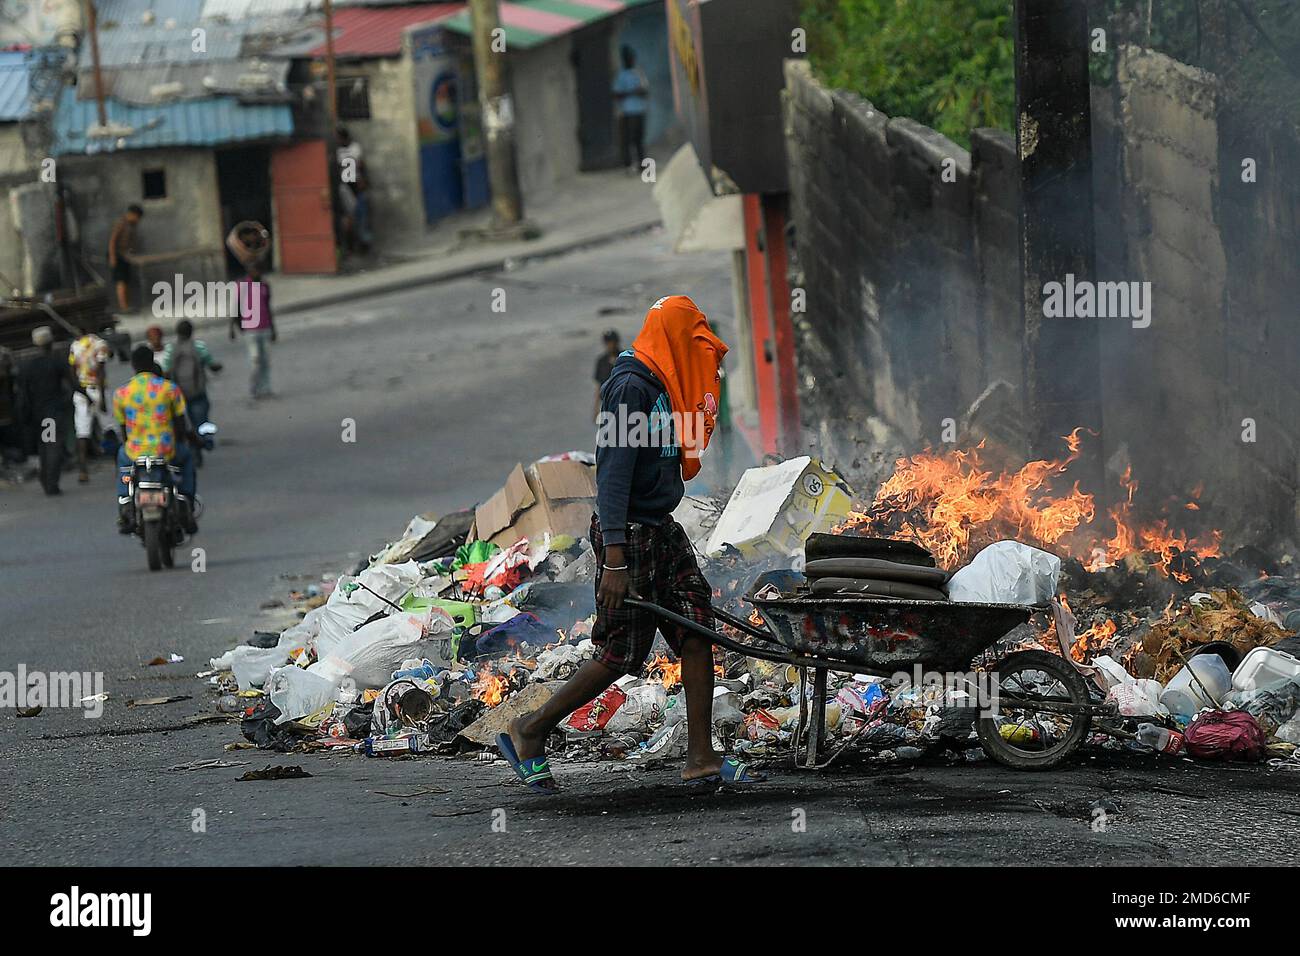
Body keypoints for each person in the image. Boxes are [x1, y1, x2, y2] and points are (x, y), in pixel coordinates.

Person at [498, 295, 764, 792]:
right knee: (621, 655)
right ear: (674, 342)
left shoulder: (665, 385)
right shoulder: (629, 389)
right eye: (694, 345)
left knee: (697, 630)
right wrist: (615, 559)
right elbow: (613, 478)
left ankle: (702, 757)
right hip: (631, 536)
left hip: (660, 527)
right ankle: (530, 729)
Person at [113, 345, 197, 534]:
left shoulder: (122, 393)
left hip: (135, 452)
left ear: (133, 365)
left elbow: (122, 427)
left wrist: (132, 444)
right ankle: (187, 503)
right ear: (153, 362)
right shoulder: (169, 389)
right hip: (166, 450)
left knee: (122, 463)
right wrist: (188, 441)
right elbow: (180, 423)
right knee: (186, 459)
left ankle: (125, 502)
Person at [20, 326, 85, 496]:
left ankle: (46, 479)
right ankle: (51, 483)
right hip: (53, 413)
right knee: (53, 447)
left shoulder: (28, 366)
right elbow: (73, 383)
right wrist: (89, 396)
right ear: (51, 342)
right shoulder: (56, 361)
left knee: (44, 446)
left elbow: (24, 393)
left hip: (37, 414)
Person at [160, 319, 222, 430]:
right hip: (197, 389)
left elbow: (166, 372)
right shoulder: (199, 346)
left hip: (179, 391)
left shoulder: (170, 349)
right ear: (191, 332)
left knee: (186, 418)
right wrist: (218, 366)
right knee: (202, 417)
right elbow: (212, 366)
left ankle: (193, 436)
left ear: (177, 332)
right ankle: (203, 436)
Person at [68, 331, 112, 482]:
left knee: (82, 432)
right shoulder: (101, 345)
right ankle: (120, 463)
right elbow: (100, 371)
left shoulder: (75, 345)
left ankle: (83, 471)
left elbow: (72, 372)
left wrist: (80, 391)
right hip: (97, 389)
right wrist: (102, 400)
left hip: (81, 392)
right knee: (109, 427)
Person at [230, 262, 275, 399]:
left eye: (258, 271)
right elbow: (236, 308)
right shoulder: (242, 286)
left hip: (265, 328)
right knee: (255, 360)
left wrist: (273, 328)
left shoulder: (265, 285)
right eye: (253, 270)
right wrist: (233, 328)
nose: (256, 273)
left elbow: (268, 307)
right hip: (250, 330)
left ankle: (266, 388)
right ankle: (254, 387)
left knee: (266, 360)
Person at [612, 46, 649, 172]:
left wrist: (635, 92)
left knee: (639, 139)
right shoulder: (621, 75)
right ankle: (628, 165)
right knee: (628, 140)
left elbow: (645, 91)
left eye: (631, 58)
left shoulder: (638, 73)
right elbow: (616, 94)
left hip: (639, 111)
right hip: (627, 112)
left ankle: (642, 164)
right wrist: (632, 92)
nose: (630, 60)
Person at [335, 126, 371, 254]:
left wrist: (364, 181)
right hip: (346, 186)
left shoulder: (355, 148)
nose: (337, 140)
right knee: (349, 218)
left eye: (338, 138)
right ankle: (351, 246)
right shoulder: (338, 151)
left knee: (361, 215)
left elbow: (361, 165)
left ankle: (364, 244)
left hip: (357, 184)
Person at [108, 204, 144, 312]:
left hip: (125, 256)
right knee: (121, 282)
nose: (138, 220)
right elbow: (112, 241)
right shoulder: (121, 224)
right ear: (131, 214)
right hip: (117, 255)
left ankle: (126, 305)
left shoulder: (131, 225)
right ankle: (123, 307)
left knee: (126, 281)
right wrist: (112, 257)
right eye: (137, 217)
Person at [592, 329, 620, 421]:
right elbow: (598, 385)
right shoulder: (601, 361)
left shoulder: (624, 357)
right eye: (608, 342)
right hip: (606, 402)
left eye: (612, 341)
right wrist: (596, 408)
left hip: (622, 399)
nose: (610, 344)